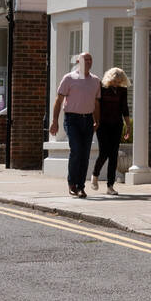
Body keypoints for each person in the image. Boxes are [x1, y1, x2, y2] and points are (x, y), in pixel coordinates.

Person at [49, 52, 101, 198]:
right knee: (77, 150)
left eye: (90, 59)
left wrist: (97, 120)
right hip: (72, 119)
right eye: (86, 59)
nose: (89, 61)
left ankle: (80, 186)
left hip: (88, 120)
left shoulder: (96, 80)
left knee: (84, 155)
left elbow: (96, 103)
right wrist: (54, 121)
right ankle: (72, 184)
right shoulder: (69, 78)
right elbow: (58, 101)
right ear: (78, 61)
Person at [92, 68, 130, 195]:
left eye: (119, 82)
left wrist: (128, 125)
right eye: (114, 81)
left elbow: (125, 108)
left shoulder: (122, 90)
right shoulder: (101, 88)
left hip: (117, 124)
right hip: (103, 124)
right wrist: (95, 121)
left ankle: (110, 186)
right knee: (104, 153)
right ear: (109, 79)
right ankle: (95, 174)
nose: (116, 84)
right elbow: (95, 105)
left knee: (114, 155)